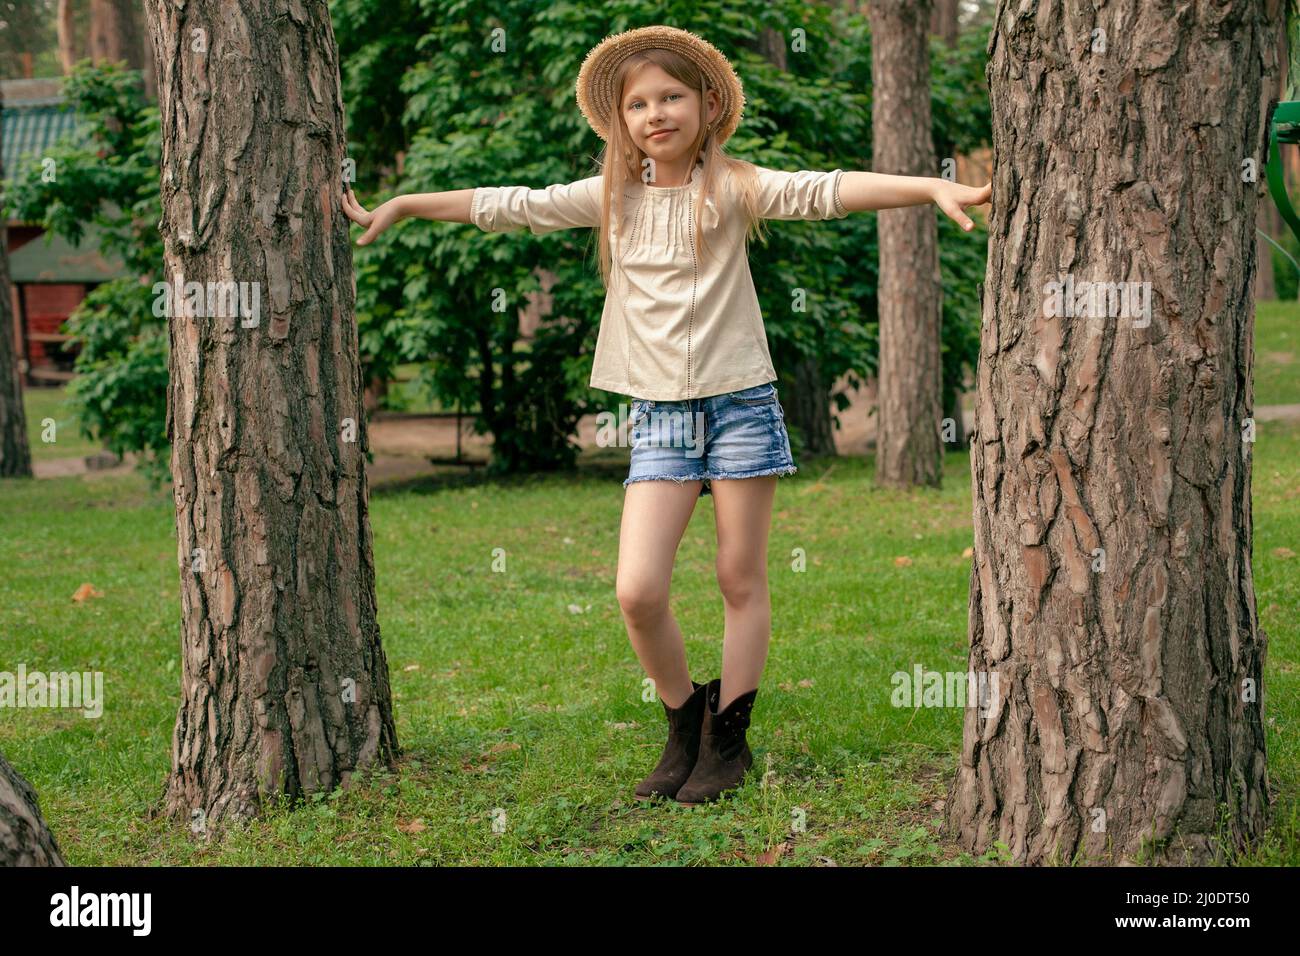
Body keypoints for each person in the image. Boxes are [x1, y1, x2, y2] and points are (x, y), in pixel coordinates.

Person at [342, 25, 990, 805]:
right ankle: (685, 720)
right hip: (661, 419)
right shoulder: (609, 199)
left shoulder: (737, 187)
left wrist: (929, 187)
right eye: (639, 102)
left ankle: (730, 741)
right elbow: (507, 205)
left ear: (707, 106)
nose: (656, 112)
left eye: (672, 96)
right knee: (638, 590)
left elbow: (829, 189)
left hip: (741, 403)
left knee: (737, 575)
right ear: (621, 120)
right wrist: (406, 203)